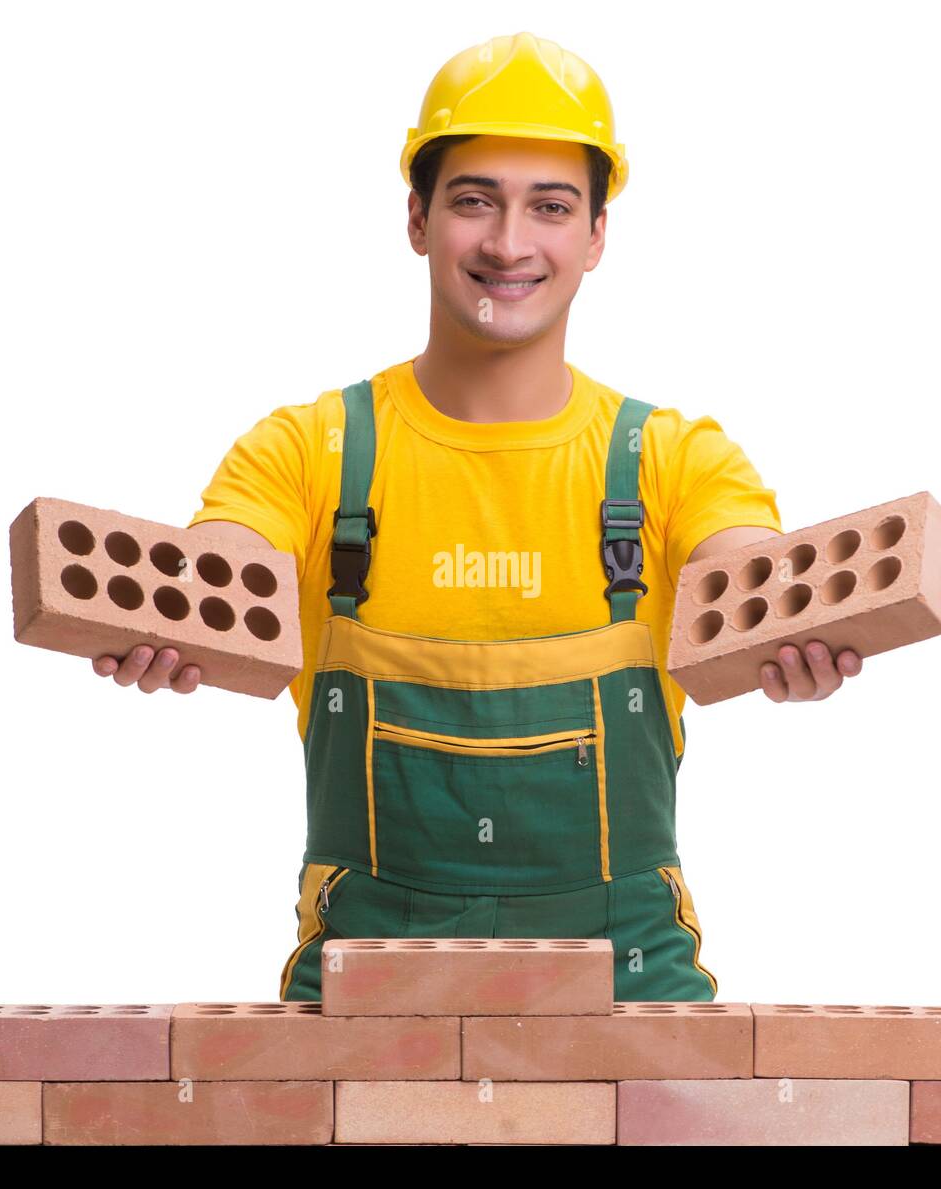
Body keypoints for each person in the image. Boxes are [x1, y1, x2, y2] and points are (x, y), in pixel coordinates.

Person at [92, 32, 862, 1001]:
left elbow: (744, 562)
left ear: (596, 236)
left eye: (550, 206)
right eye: (472, 200)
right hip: (363, 1005)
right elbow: (224, 561)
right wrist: (168, 614)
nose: (507, 243)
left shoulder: (672, 458)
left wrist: (791, 626)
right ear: (415, 219)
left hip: (631, 1002)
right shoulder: (311, 450)